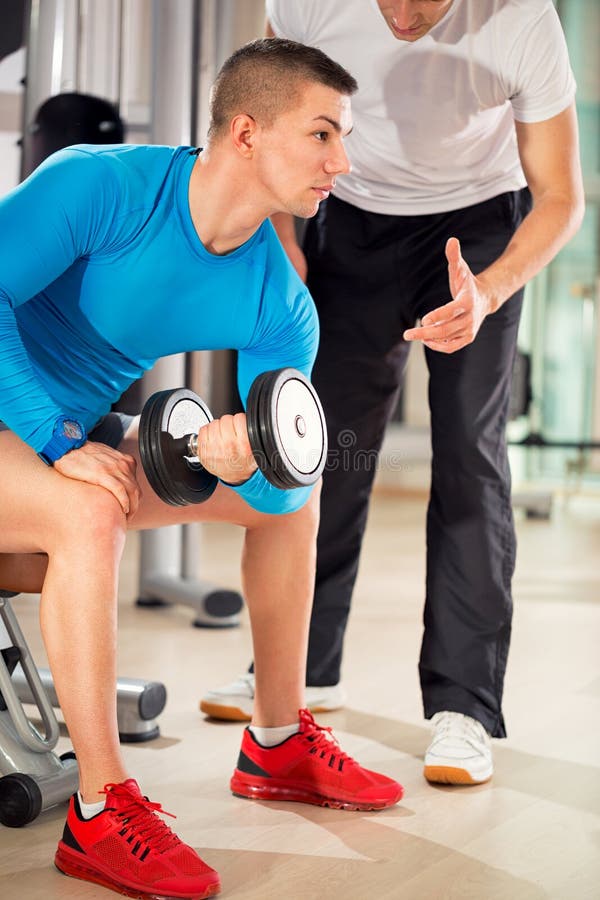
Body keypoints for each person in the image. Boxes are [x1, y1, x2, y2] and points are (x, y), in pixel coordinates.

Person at [0, 38, 404, 900]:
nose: (344, 161)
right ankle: (102, 808)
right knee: (86, 508)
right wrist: (60, 442)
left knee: (299, 491)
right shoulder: (101, 184)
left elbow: (276, 482)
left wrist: (245, 456)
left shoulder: (278, 302)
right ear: (248, 132)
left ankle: (278, 737)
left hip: (49, 439)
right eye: (325, 135)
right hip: (28, 423)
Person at [201, 0, 585, 786]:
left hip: (478, 228)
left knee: (471, 458)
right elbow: (271, 113)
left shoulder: (523, 20)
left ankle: (465, 706)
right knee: (322, 453)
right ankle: (300, 667)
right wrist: (282, 241)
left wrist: (491, 290)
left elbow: (561, 196)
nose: (407, 15)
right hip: (352, 218)